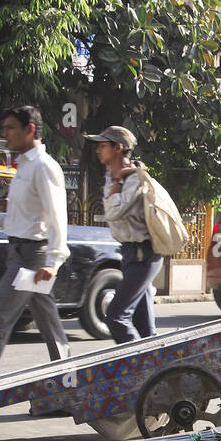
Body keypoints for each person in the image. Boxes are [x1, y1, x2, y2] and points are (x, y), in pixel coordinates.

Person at [0, 104, 72, 382]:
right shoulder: (24, 166)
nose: (5, 134)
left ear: (29, 130)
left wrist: (53, 262)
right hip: (21, 253)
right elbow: (18, 219)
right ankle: (70, 384)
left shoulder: (44, 167)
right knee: (50, 326)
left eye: (11, 128)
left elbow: (57, 216)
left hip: (31, 259)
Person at [86, 124, 159, 343]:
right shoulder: (113, 176)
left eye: (103, 145)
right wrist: (116, 178)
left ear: (118, 148)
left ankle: (136, 365)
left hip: (142, 254)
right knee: (145, 328)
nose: (98, 150)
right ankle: (154, 367)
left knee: (116, 316)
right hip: (129, 254)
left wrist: (118, 180)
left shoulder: (133, 177)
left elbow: (115, 211)